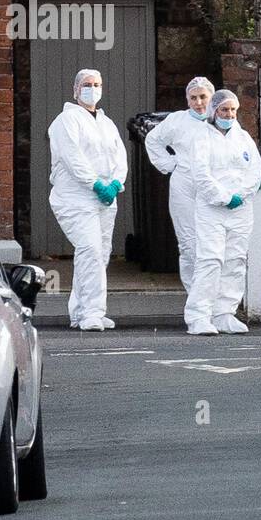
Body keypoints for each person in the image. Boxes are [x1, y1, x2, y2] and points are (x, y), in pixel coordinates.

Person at [47, 68, 128, 332]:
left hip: (105, 199)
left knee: (99, 254)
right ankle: (91, 311)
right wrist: (95, 184)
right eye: (87, 84)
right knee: (90, 249)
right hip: (75, 197)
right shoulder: (66, 121)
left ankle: (83, 311)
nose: (92, 88)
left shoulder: (106, 123)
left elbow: (120, 157)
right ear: (75, 89)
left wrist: (116, 182)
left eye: (97, 84)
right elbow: (73, 159)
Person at [185, 89, 261, 336]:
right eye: (224, 110)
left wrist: (241, 195)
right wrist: (224, 197)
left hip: (241, 209)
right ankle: (199, 315)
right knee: (210, 260)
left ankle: (224, 313)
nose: (229, 114)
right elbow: (201, 175)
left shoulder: (244, 139)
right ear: (214, 111)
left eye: (232, 110)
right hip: (212, 210)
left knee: (235, 260)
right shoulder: (202, 137)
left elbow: (255, 171)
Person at [144, 76, 214, 291]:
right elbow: (152, 140)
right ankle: (195, 295)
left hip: (214, 186)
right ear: (187, 99)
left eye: (203, 97)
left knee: (213, 242)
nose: (199, 102)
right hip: (185, 184)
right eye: (193, 98)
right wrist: (170, 164)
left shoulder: (220, 118)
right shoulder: (177, 120)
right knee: (188, 241)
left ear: (212, 97)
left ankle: (215, 297)